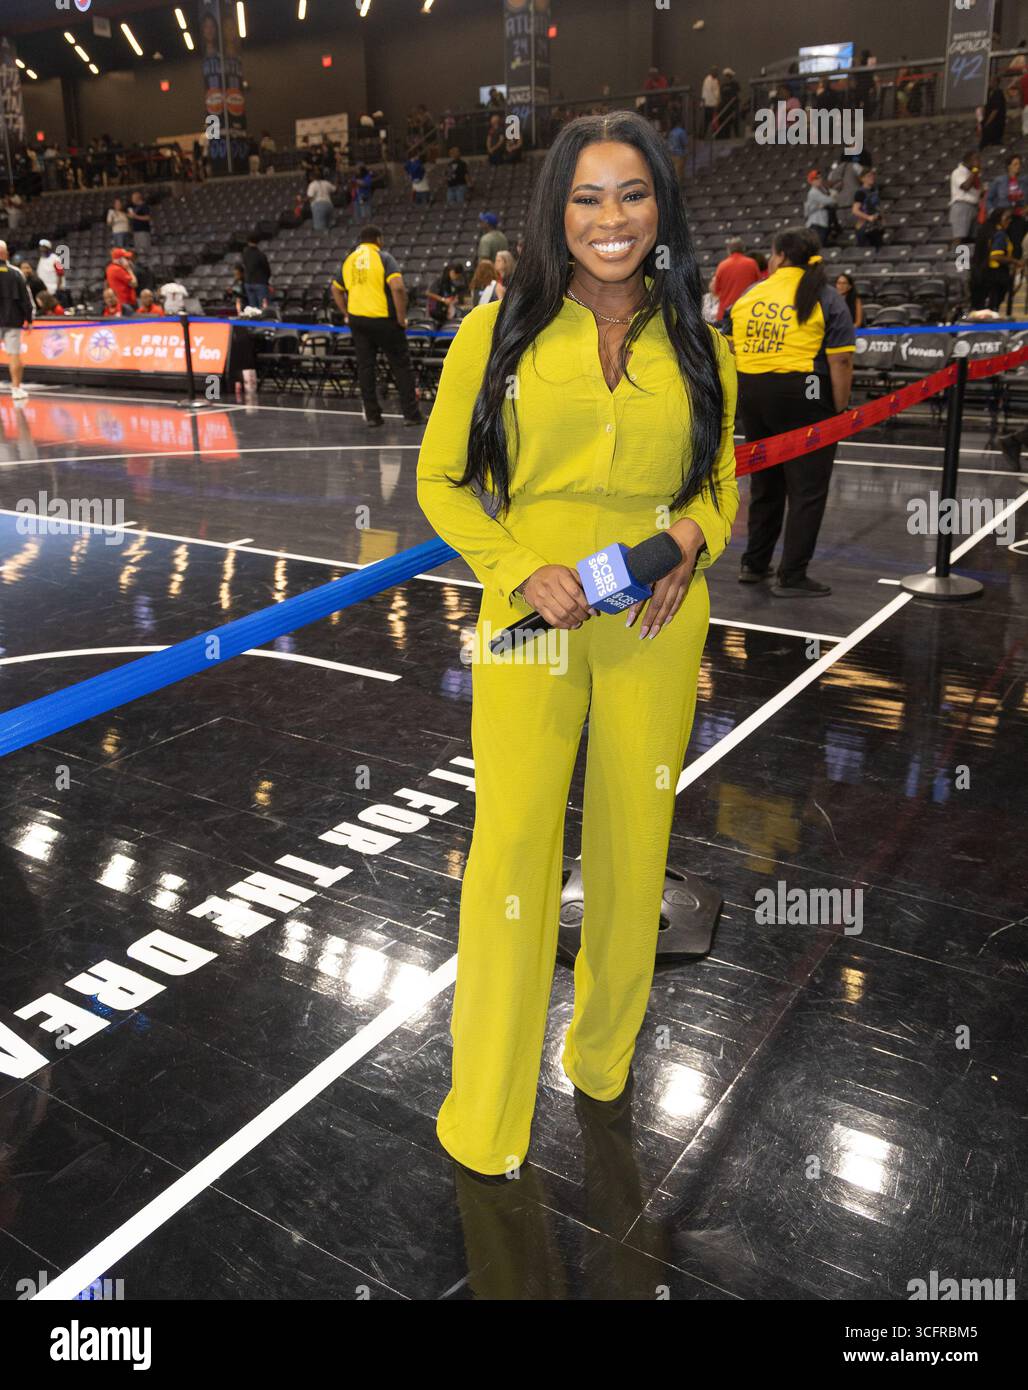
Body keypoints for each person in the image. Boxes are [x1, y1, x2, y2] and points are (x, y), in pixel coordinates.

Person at [417, 110, 738, 1179]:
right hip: (526, 621)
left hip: (653, 618)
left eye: (632, 194)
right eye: (588, 197)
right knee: (509, 854)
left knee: (630, 843)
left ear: (661, 206)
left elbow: (716, 481)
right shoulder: (497, 327)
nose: (612, 219)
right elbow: (440, 481)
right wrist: (514, 570)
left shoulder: (696, 332)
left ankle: (600, 1060)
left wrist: (692, 537)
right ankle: (485, 1113)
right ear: (557, 211)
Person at [726, 226, 855, 596]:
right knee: (807, 489)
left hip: (752, 393)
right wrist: (840, 410)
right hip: (803, 395)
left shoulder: (752, 293)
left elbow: (729, 345)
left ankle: (754, 564)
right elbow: (842, 361)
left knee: (765, 483)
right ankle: (793, 575)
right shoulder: (826, 297)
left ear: (778, 256)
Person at [331, 225, 422, 427]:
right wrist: (401, 317)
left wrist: (346, 312)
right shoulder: (384, 258)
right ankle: (411, 414)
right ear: (378, 239)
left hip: (358, 321)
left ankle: (373, 416)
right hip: (384, 320)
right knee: (401, 366)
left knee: (366, 368)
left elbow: (335, 289)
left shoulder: (349, 260)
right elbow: (397, 287)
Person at [0, 239, 34, 402]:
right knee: (14, 355)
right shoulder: (16, 273)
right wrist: (29, 319)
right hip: (12, 320)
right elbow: (25, 299)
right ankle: (16, 389)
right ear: (5, 254)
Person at [971, 209, 1019, 311]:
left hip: (981, 276)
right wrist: (1015, 261)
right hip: (995, 277)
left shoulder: (986, 231)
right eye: (1007, 218)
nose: (1009, 221)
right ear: (998, 219)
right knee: (992, 309)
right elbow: (995, 256)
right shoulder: (1000, 234)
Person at [712, 237, 761, 329]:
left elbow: (715, 290)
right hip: (747, 311)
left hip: (726, 313)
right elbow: (759, 286)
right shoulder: (752, 263)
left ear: (729, 250)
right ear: (743, 249)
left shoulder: (722, 265)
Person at [986, 153, 1028, 257]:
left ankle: (1016, 265)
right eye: (1015, 164)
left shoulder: (1025, 181)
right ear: (1009, 166)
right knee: (1000, 242)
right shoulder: (999, 181)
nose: (1018, 166)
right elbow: (989, 199)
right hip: (1002, 216)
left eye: (1019, 164)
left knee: (1017, 243)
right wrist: (992, 211)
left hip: (1017, 217)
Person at [949, 151, 982, 248]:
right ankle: (955, 261)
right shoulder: (958, 172)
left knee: (972, 238)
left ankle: (967, 262)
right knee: (959, 238)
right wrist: (975, 170)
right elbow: (966, 186)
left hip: (974, 207)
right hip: (962, 206)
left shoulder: (972, 173)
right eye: (977, 159)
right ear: (969, 160)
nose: (979, 162)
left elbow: (978, 191)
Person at [852, 168, 884, 249]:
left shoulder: (874, 190)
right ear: (862, 179)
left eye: (872, 175)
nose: (871, 177)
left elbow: (878, 206)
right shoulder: (860, 192)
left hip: (876, 225)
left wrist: (882, 220)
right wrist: (868, 217)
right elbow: (855, 210)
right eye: (868, 176)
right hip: (865, 227)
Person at [804, 169, 836, 246]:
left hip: (823, 222)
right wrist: (833, 195)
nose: (819, 180)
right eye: (816, 179)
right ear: (811, 181)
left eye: (819, 177)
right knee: (818, 246)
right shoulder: (813, 192)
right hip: (816, 223)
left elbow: (832, 203)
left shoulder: (822, 189)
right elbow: (830, 201)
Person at [240, 235, 271, 310]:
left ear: (248, 242)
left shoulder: (244, 254)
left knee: (252, 308)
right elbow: (267, 269)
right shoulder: (260, 254)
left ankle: (254, 320)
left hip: (248, 282)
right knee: (262, 307)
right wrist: (266, 280)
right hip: (260, 282)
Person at [105, 246, 137, 313]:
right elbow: (134, 283)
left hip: (121, 303)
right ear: (120, 259)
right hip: (125, 304)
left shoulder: (110, 268)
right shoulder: (118, 269)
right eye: (126, 258)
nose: (128, 260)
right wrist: (129, 269)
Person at [980, 81, 1006, 149]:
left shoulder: (998, 93)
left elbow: (995, 110)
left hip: (995, 124)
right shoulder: (988, 93)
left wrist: (987, 122)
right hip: (988, 123)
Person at [719, 67, 741, 138]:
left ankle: (729, 137)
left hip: (727, 106)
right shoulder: (734, 84)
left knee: (731, 123)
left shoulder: (722, 85)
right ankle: (734, 136)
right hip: (731, 106)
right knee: (733, 123)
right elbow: (738, 90)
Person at [667, 119, 688, 183]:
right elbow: (685, 143)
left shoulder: (671, 132)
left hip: (671, 154)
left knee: (673, 172)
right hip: (679, 154)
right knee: (679, 172)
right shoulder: (681, 131)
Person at [701, 68, 720, 134]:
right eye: (715, 72)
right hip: (708, 104)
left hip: (713, 104)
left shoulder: (716, 80)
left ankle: (714, 134)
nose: (716, 73)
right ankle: (702, 135)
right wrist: (715, 103)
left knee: (713, 121)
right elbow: (708, 93)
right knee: (706, 121)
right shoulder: (708, 80)